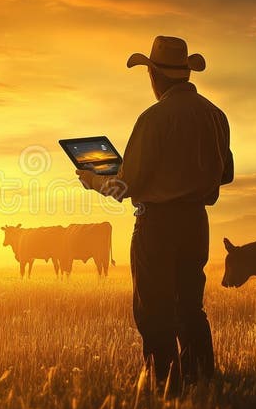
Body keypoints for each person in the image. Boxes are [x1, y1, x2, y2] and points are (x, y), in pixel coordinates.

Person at [76, 35, 233, 389]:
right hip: (196, 223)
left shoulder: (154, 118)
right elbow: (227, 173)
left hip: (157, 225)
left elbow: (125, 186)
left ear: (155, 76)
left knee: (155, 312)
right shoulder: (216, 116)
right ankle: (202, 380)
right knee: (190, 307)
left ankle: (165, 386)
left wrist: (92, 179)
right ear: (187, 74)